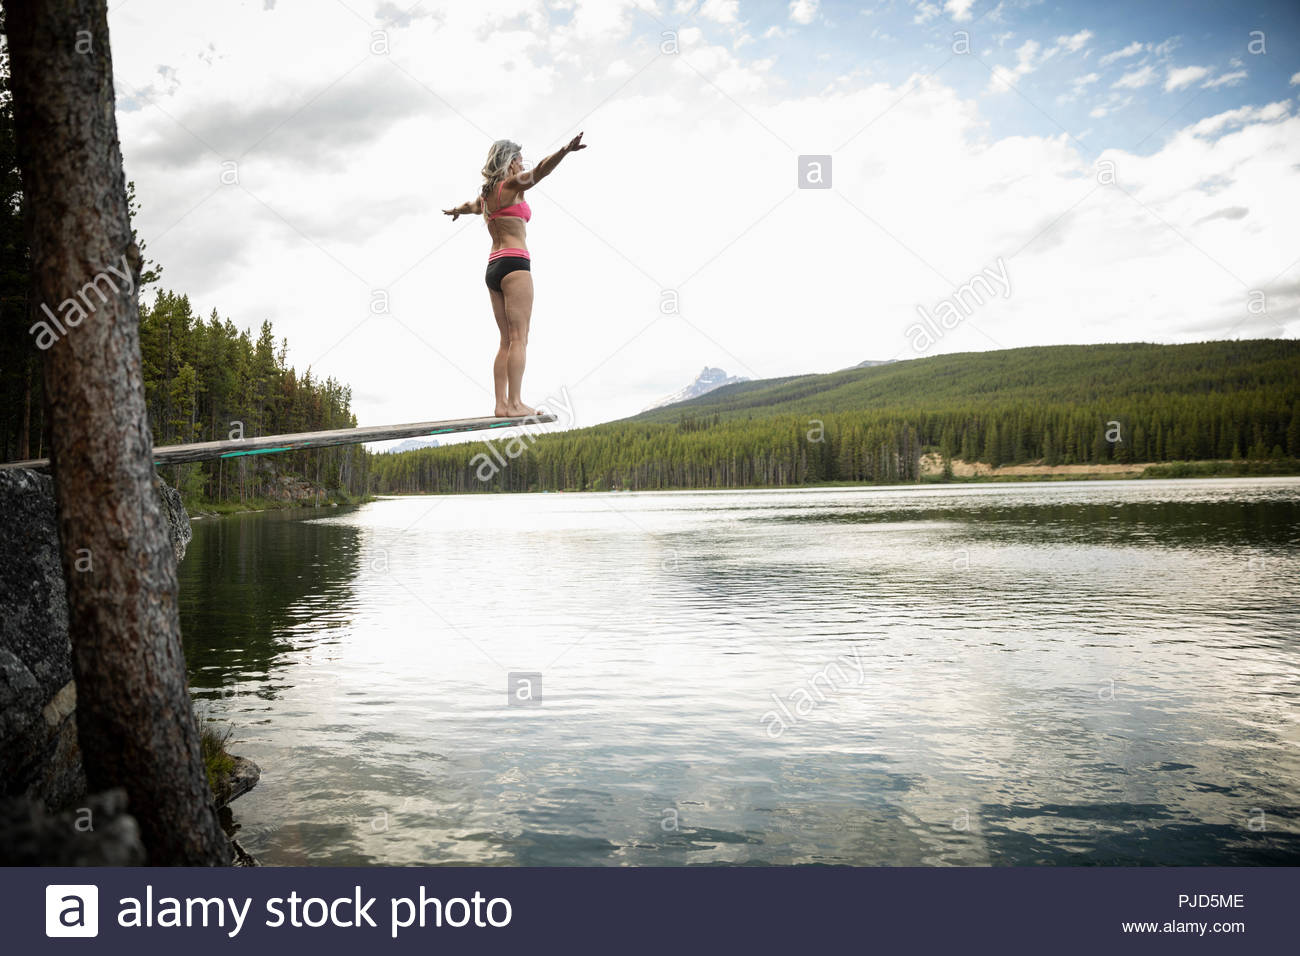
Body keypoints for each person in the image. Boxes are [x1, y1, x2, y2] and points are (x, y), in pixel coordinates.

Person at [443, 133, 587, 417]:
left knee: (505, 340)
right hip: (515, 263)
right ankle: (517, 403)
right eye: (520, 162)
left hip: (493, 267)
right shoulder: (510, 186)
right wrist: (564, 150)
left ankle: (500, 405)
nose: (522, 167)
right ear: (509, 164)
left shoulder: (485, 197)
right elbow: (541, 171)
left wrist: (455, 211)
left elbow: (469, 208)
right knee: (520, 338)